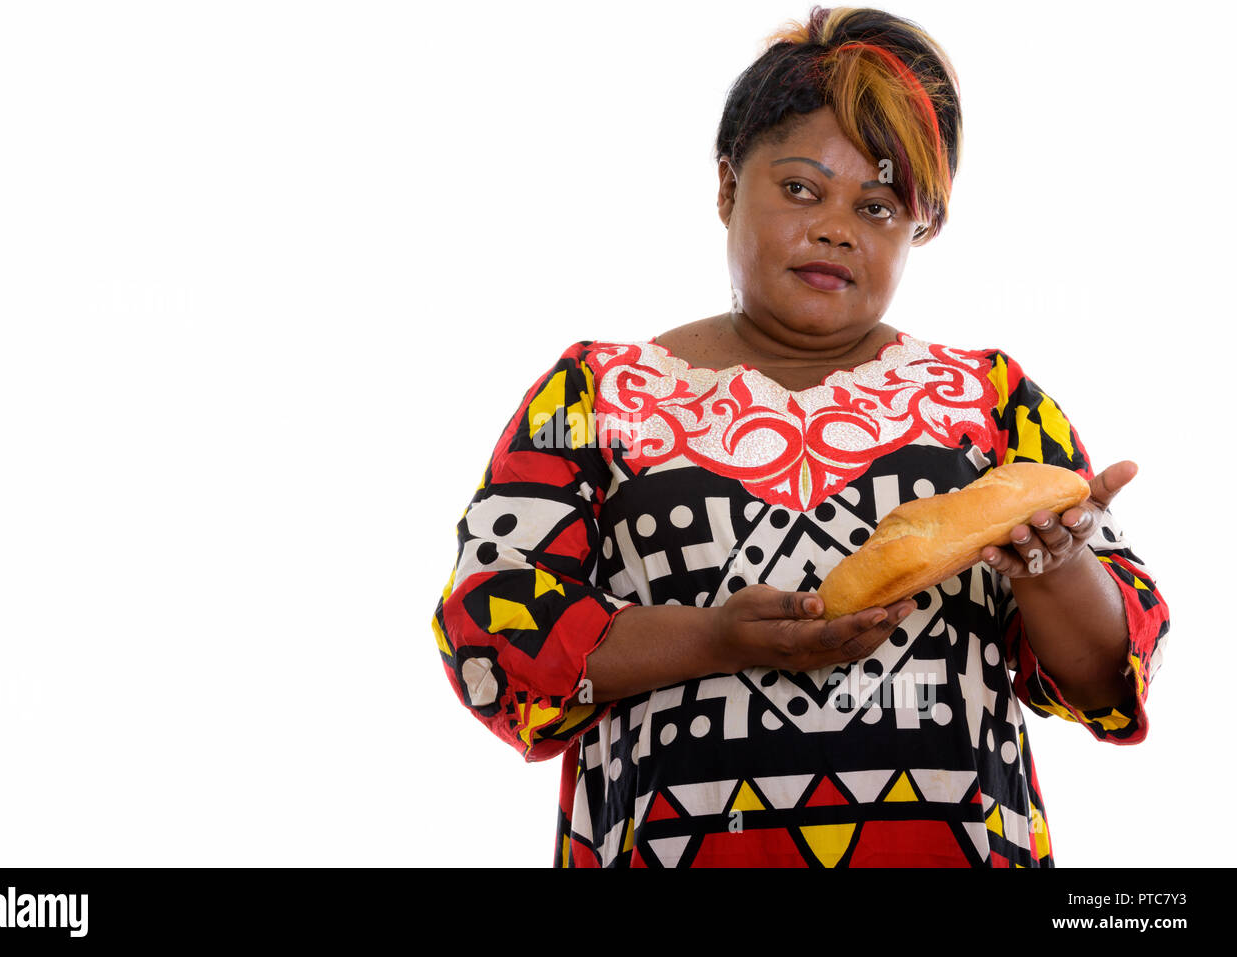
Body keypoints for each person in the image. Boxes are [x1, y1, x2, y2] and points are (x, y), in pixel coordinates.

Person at [429, 6, 1170, 867]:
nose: (838, 228)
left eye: (881, 205)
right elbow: (491, 634)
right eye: (801, 189)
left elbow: (1104, 678)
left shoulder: (995, 400)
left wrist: (1058, 564)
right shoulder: (593, 392)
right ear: (725, 184)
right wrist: (714, 638)